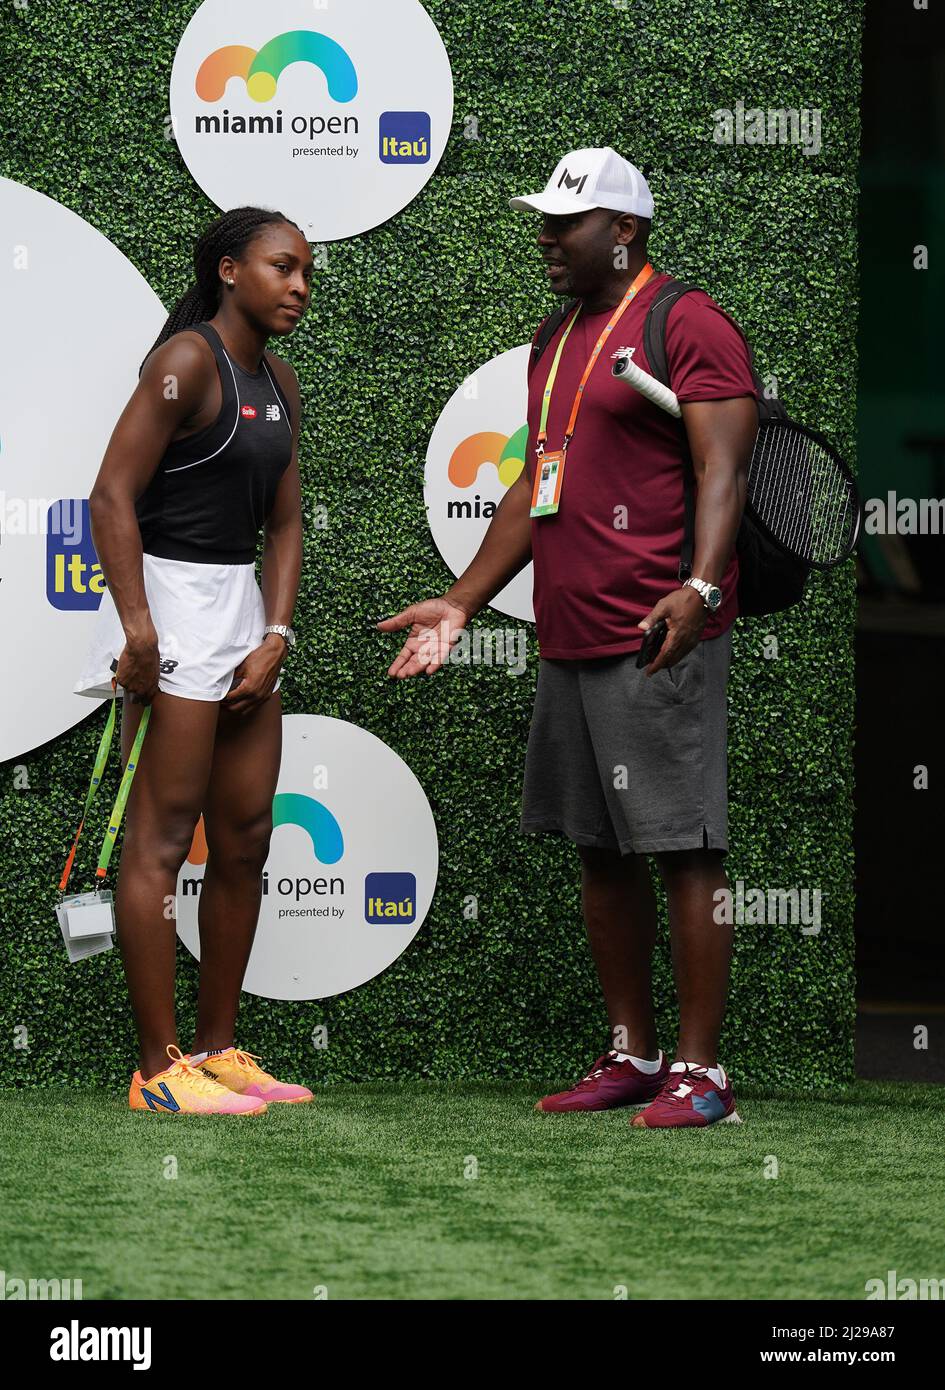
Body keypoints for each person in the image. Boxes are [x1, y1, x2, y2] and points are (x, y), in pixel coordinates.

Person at [378, 148, 759, 1129]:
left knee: (685, 848)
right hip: (571, 631)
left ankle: (702, 1071)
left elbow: (725, 471)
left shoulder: (689, 322)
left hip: (658, 629)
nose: (546, 238)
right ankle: (633, 1052)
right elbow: (531, 486)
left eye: (565, 223)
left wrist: (700, 586)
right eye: (543, 220)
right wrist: (461, 601)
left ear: (623, 230)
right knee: (598, 848)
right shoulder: (559, 335)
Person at [74, 206, 314, 1114]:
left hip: (242, 615)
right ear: (226, 270)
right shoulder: (183, 364)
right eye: (281, 268)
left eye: (305, 273)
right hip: (170, 610)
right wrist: (140, 633)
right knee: (162, 842)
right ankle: (156, 1070)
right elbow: (110, 496)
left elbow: (284, 521)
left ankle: (218, 1051)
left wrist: (275, 634)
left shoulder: (281, 381)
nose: (298, 286)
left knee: (246, 839)